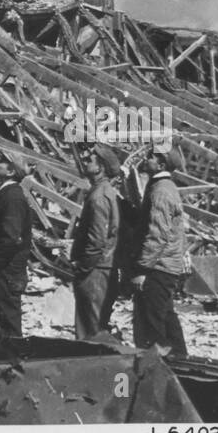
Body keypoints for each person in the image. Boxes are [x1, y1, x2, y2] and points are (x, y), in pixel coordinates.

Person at [131, 146, 189, 356]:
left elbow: (158, 235)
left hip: (158, 268)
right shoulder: (163, 186)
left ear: (162, 164)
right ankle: (181, 364)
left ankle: (162, 370)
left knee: (154, 327)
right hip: (165, 267)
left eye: (151, 157)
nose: (146, 159)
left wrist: (142, 269)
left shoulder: (161, 190)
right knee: (166, 320)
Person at [0, 156, 33, 359]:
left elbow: (11, 239)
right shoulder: (7, 194)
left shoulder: (12, 197)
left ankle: (13, 375)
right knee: (0, 329)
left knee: (7, 331)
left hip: (5, 274)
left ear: (11, 171)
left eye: (1, 161)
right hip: (3, 274)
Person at [70, 149, 122, 340]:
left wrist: (83, 268)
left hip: (95, 271)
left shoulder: (98, 196)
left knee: (90, 331)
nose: (84, 161)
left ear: (101, 166)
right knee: (96, 326)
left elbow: (97, 240)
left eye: (89, 159)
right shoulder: (105, 191)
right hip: (102, 268)